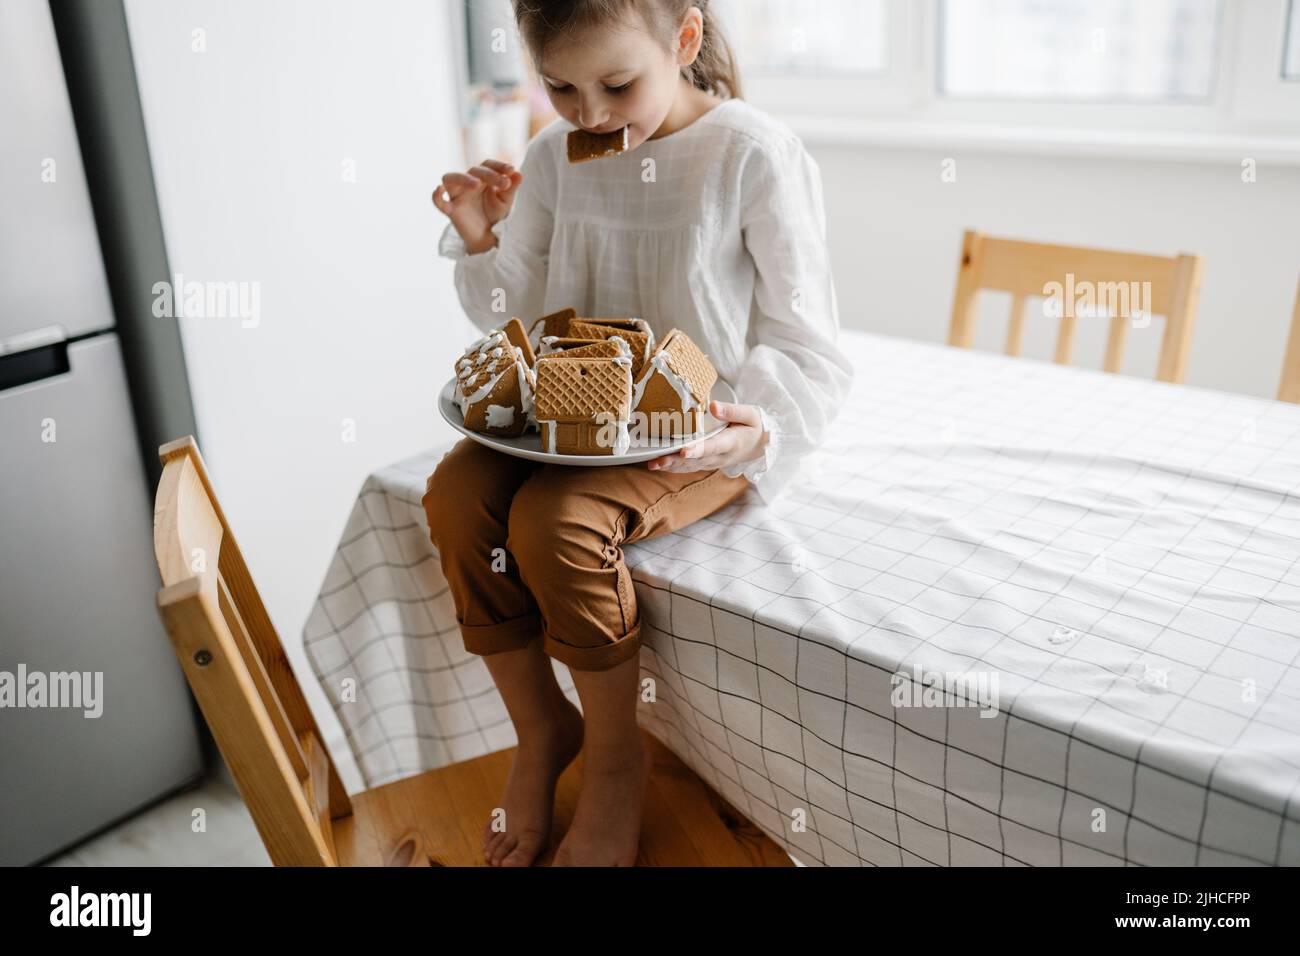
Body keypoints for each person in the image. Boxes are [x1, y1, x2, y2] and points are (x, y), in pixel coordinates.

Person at [425, 0, 853, 866]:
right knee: (457, 497)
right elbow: (516, 311)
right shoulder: (556, 158)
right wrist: (480, 237)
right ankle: (542, 728)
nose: (589, 116)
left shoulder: (751, 154)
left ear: (683, 42)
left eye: (618, 84)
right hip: (574, 415)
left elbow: (808, 341)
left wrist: (758, 426)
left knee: (556, 525)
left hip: (701, 426)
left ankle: (618, 763)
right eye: (560, 88)